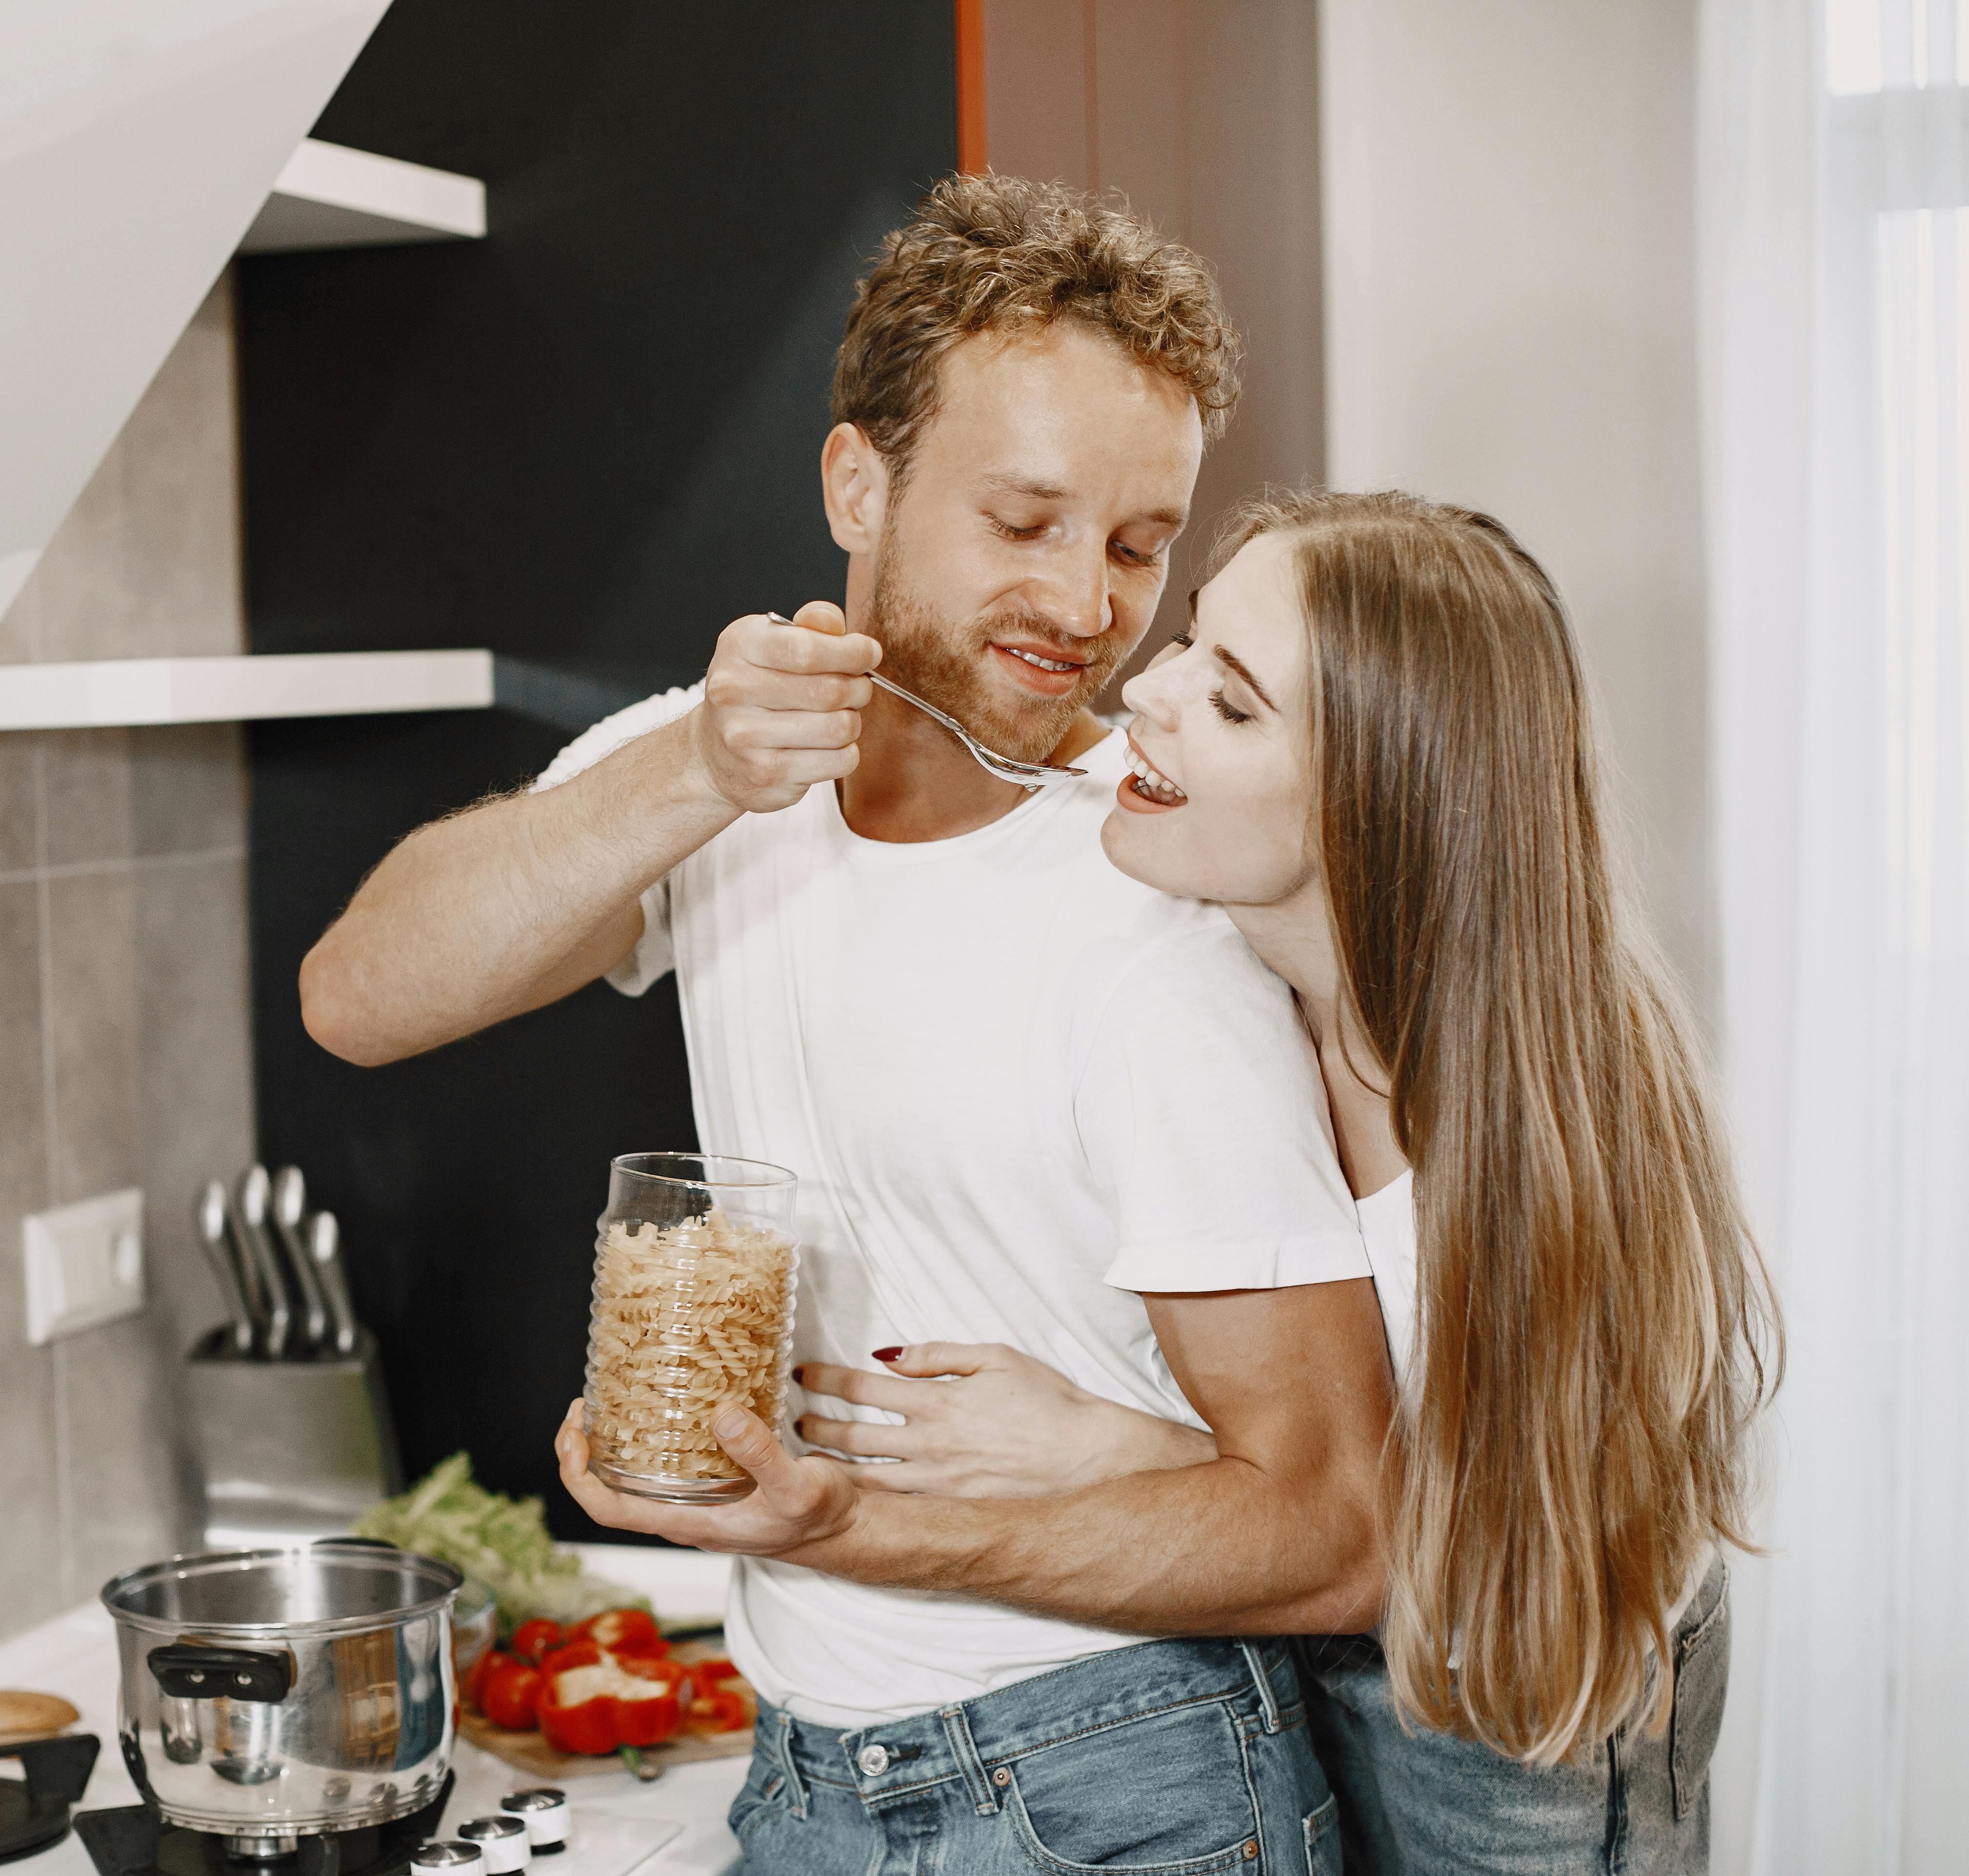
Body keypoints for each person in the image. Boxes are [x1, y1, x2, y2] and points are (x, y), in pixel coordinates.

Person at [304, 174, 1393, 1874]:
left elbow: (1336, 1527)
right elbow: (359, 998)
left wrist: (852, 1529)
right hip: (807, 1775)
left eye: (1137, 545)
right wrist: (692, 773)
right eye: (1023, 521)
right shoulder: (723, 767)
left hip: (1120, 1778)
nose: (1089, 608)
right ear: (856, 484)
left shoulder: (1162, 890)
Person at [752, 491, 1782, 1873]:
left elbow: (1498, 1571)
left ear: (1375, 798)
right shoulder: (1252, 980)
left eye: (1233, 705)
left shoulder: (1543, 1127)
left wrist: (1110, 1450)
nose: (1146, 691)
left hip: (1519, 1701)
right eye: (1188, 641)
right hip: (1319, 1645)